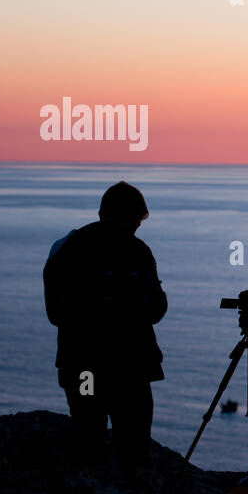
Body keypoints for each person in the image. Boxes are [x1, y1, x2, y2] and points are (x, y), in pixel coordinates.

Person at [43, 182, 167, 467]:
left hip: (81, 366)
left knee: (89, 442)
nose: (138, 226)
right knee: (132, 447)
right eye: (138, 219)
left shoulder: (66, 247)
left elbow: (56, 314)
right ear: (131, 217)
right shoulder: (136, 250)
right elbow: (156, 308)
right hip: (129, 368)